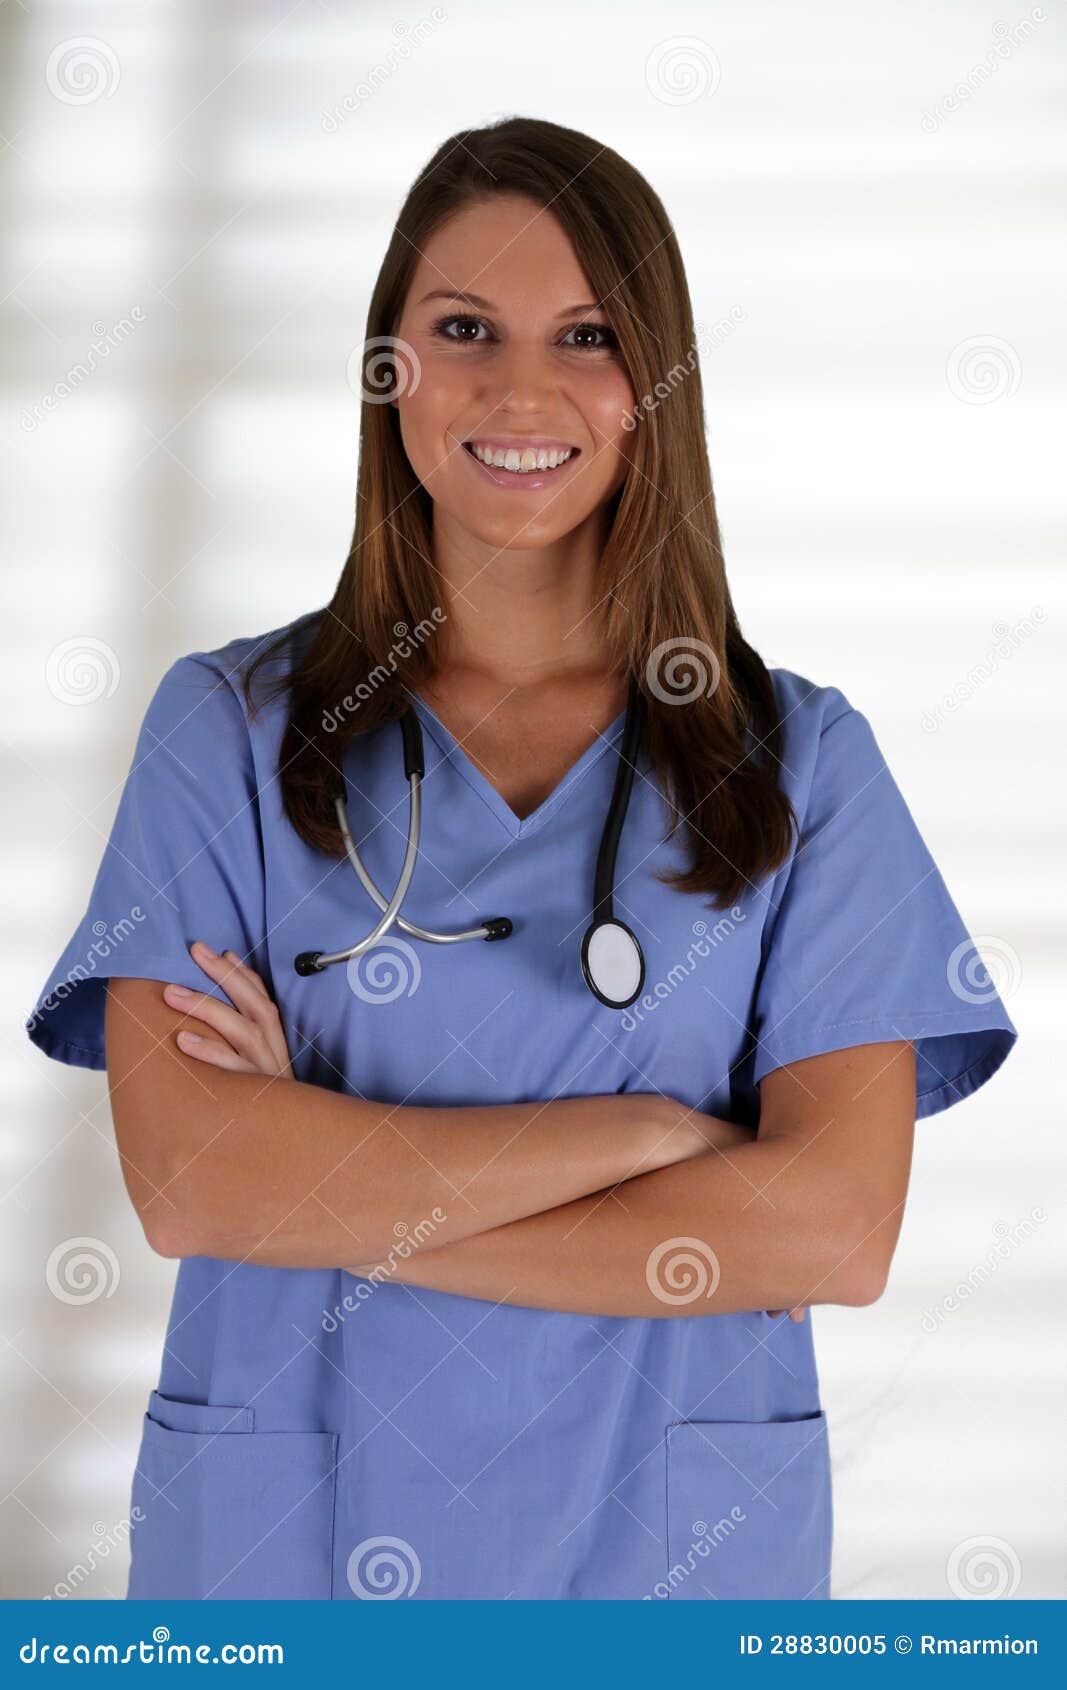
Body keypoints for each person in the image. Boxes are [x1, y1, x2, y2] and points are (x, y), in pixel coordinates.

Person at [25, 117, 1017, 1602]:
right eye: (464, 328)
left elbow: (834, 1223)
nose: (520, 386)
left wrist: (340, 1199)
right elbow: (192, 1185)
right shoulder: (225, 735)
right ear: (389, 368)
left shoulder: (802, 764)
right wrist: (646, 1133)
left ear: (655, 385)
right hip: (285, 1549)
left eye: (587, 335)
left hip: (678, 1565)